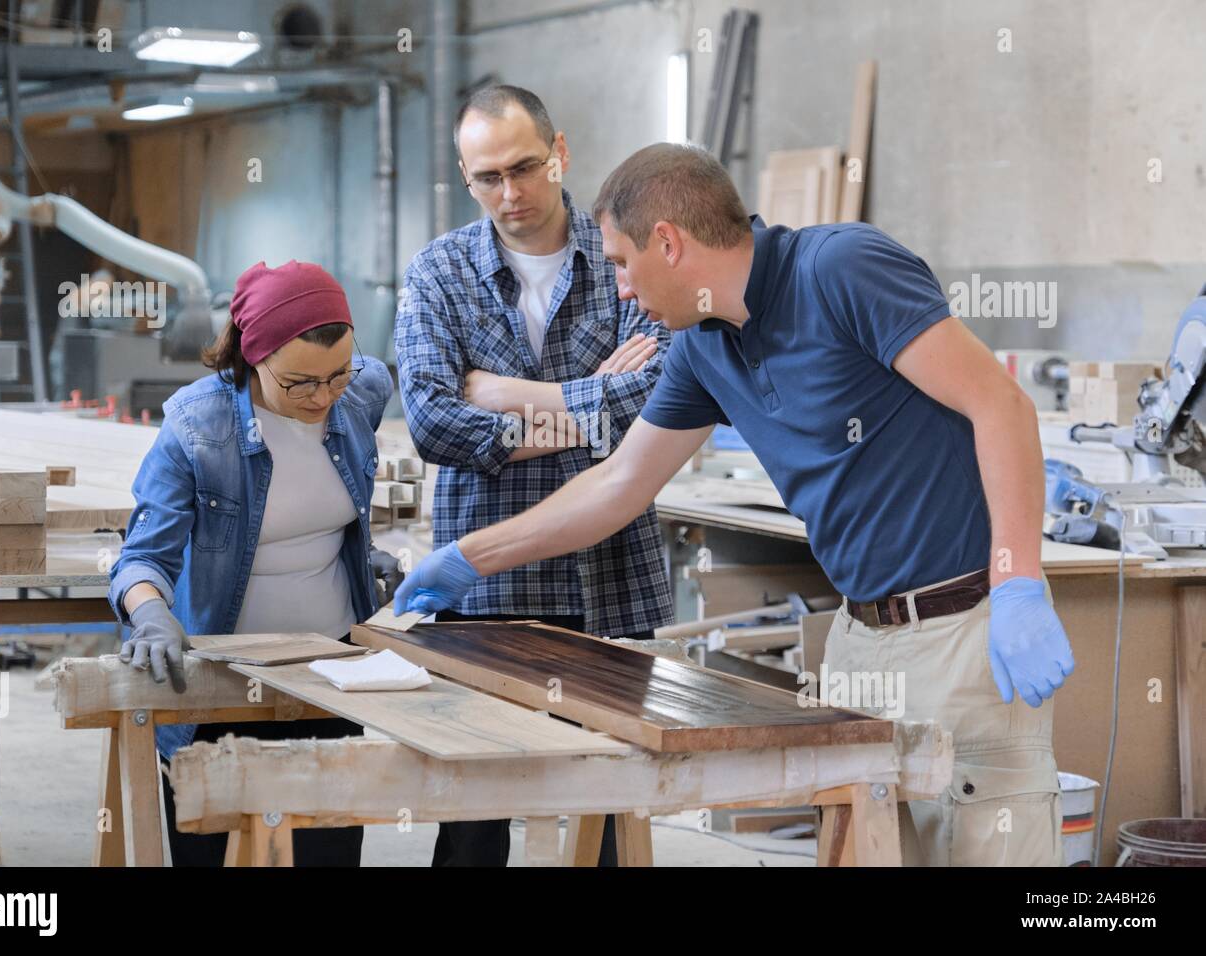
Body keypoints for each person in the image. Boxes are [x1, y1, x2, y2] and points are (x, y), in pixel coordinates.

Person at [396, 143, 1074, 867]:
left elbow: (1001, 407)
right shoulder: (702, 347)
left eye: (622, 263)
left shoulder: (841, 268)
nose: (621, 289)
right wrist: (473, 557)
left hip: (967, 630)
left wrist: (1018, 583)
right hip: (860, 636)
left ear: (669, 242)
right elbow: (620, 484)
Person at [394, 85, 672, 866]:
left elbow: (658, 399)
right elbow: (433, 424)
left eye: (524, 167)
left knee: (616, 812)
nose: (509, 194)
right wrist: (590, 408)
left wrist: (504, 394)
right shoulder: (440, 272)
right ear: (464, 175)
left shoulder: (627, 250)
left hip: (607, 577)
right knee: (474, 818)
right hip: (481, 584)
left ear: (560, 153)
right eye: (487, 177)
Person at [108, 259, 402, 866]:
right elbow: (141, 558)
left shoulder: (361, 392)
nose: (323, 397)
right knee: (213, 851)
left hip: (330, 677)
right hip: (220, 683)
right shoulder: (198, 426)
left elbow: (323, 505)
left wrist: (363, 553)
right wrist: (152, 617)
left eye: (337, 375)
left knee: (327, 852)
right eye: (300, 383)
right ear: (253, 357)